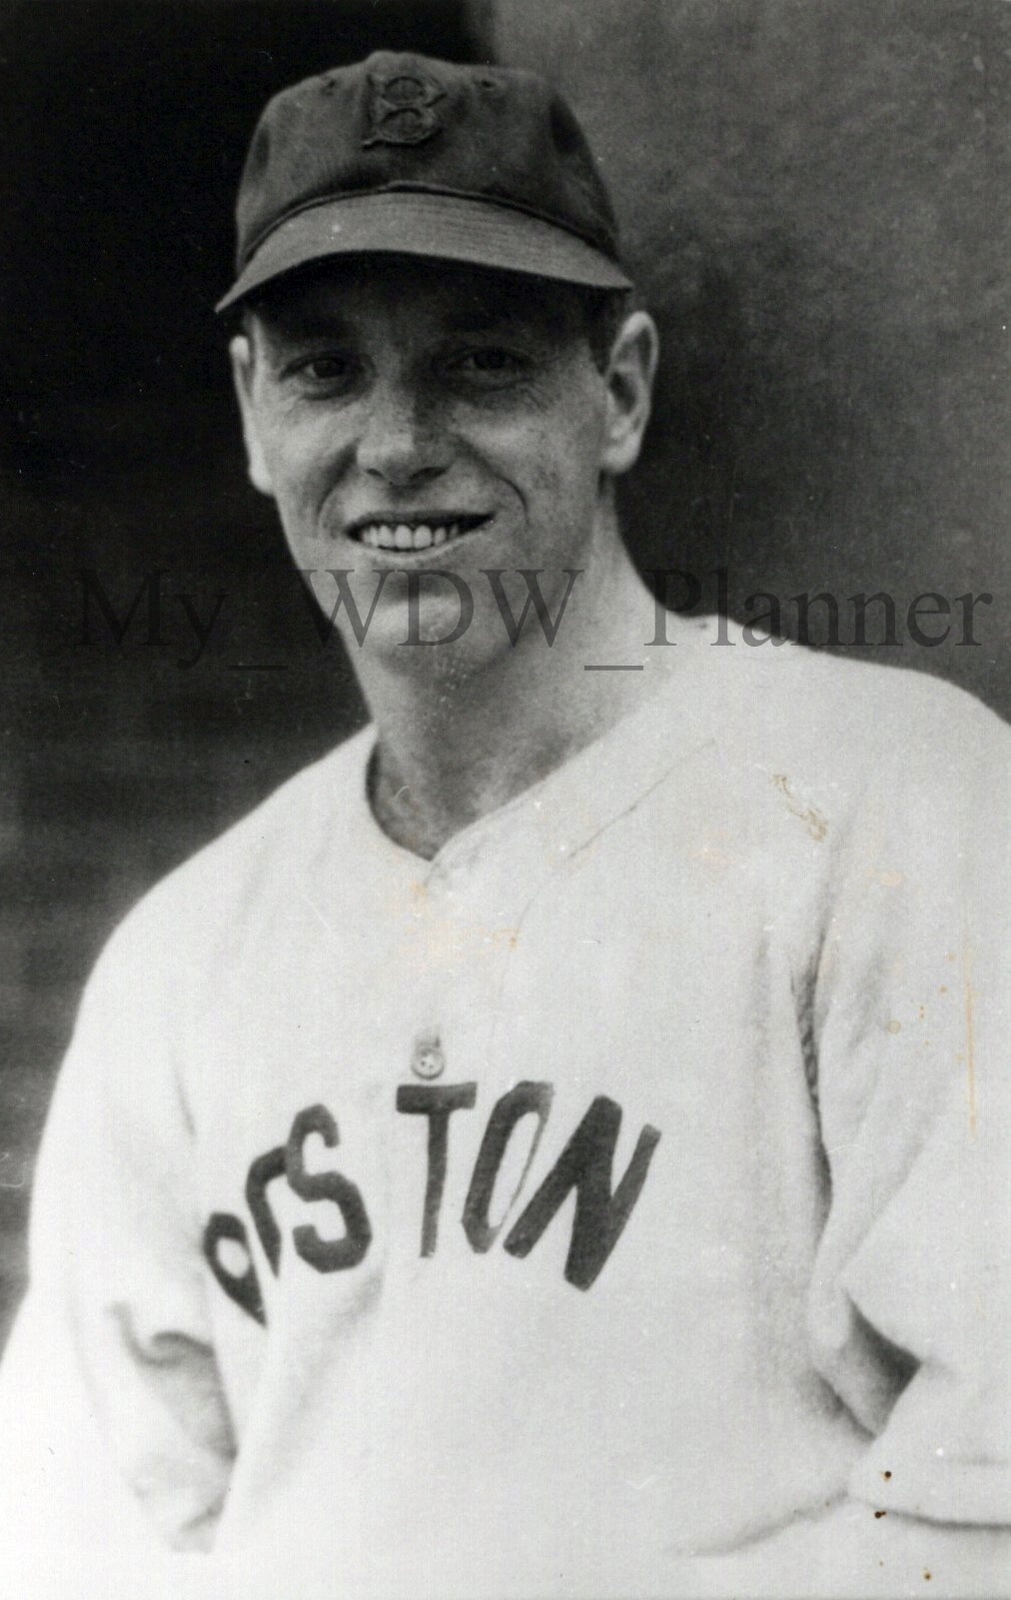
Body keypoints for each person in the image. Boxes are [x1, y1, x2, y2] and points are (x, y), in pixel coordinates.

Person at [0, 49, 1008, 1600]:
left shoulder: (897, 807)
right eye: (327, 371)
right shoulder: (180, 963)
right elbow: (79, 1534)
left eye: (480, 364)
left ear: (620, 391)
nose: (397, 444)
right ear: (255, 413)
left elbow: (987, 1481)